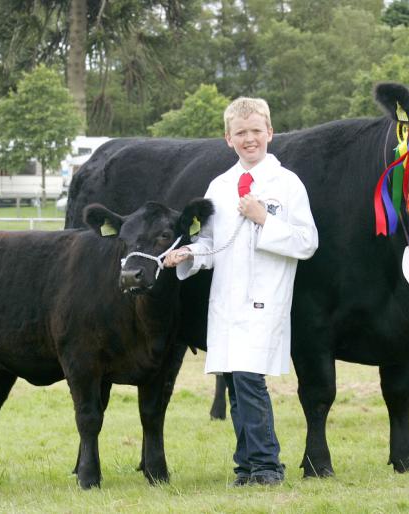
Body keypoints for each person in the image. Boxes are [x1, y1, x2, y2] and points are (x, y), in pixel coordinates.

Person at [164, 97, 318, 486]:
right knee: (235, 382)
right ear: (228, 138)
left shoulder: (288, 184)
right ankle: (246, 466)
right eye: (241, 133)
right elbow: (212, 243)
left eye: (256, 131)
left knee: (249, 378)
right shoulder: (219, 186)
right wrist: (189, 253)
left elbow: (307, 242)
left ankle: (267, 465)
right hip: (227, 302)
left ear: (270, 133)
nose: (249, 139)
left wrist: (264, 219)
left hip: (265, 299)